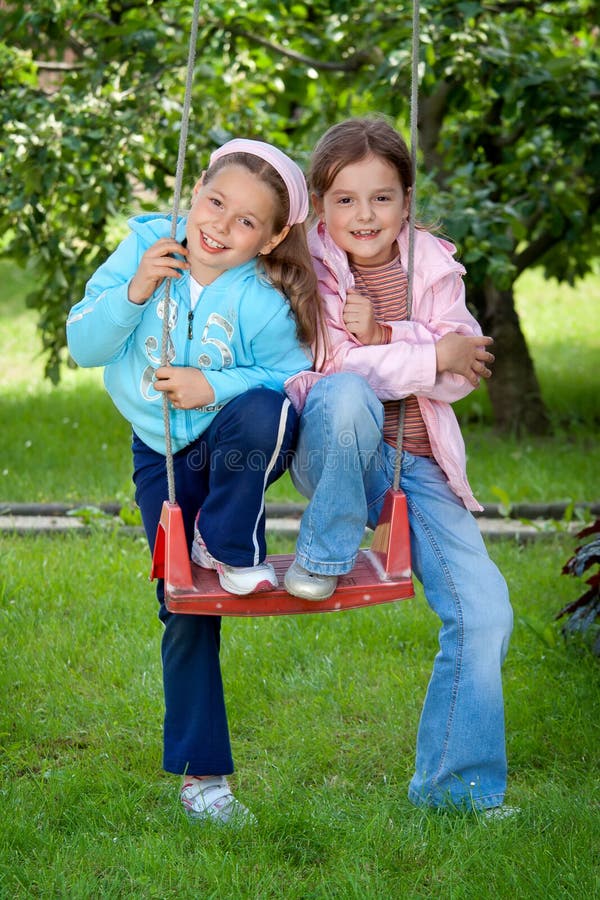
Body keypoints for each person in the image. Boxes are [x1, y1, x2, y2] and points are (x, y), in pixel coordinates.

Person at [67, 138, 324, 826]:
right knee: (183, 603)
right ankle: (203, 778)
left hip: (233, 456)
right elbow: (84, 344)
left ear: (271, 238)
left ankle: (228, 540)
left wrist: (212, 384)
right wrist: (137, 289)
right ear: (197, 187)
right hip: (161, 454)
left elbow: (289, 377)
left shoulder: (264, 298)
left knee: (268, 410)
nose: (220, 226)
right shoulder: (146, 247)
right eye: (215, 202)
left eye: (246, 222)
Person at [283, 117, 514, 814]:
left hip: (415, 465)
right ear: (321, 204)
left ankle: (457, 793)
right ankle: (323, 552)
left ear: (407, 201)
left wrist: (392, 336)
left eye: (382, 198)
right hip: (337, 455)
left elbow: (462, 369)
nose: (364, 215)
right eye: (345, 199)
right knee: (349, 392)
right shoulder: (304, 264)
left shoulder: (433, 265)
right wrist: (425, 352)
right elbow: (331, 365)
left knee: (485, 611)